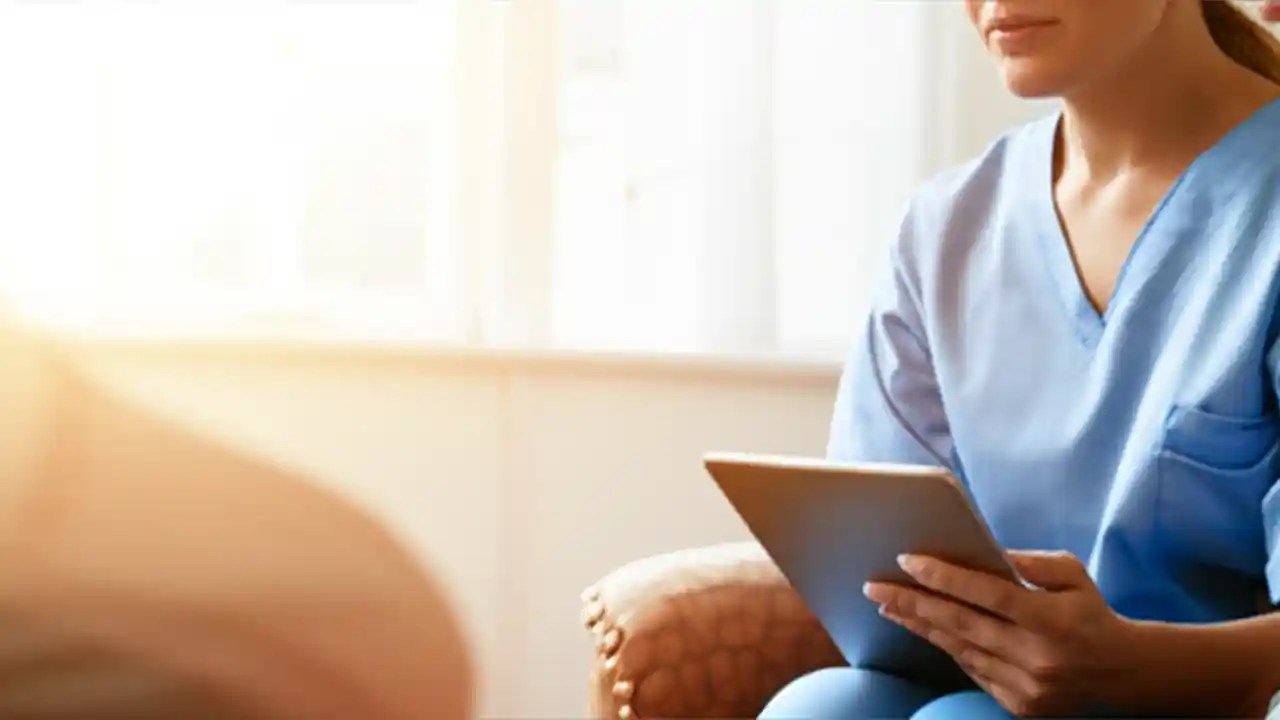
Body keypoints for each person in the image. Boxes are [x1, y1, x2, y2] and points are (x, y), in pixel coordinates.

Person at [762, 1, 1280, 718]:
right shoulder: (946, 229)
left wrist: (1136, 667)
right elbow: (879, 574)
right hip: (983, 692)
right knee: (821, 708)